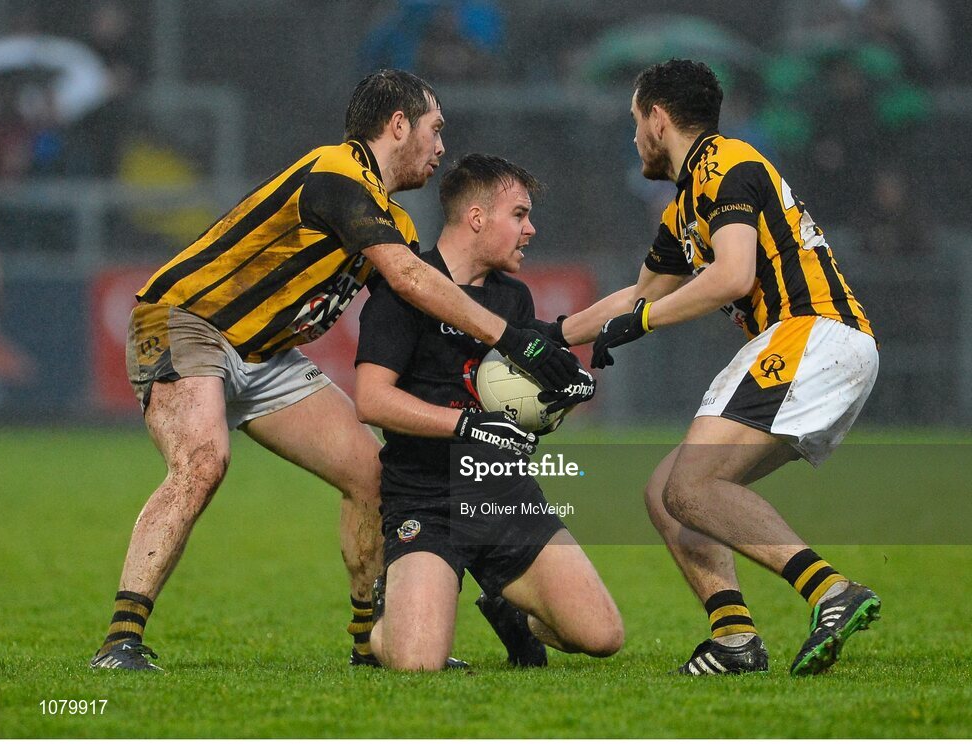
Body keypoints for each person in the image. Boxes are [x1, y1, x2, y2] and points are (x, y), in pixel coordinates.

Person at [89, 70, 580, 672]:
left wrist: (568, 335)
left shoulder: (397, 225)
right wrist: (513, 341)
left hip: (266, 355)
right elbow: (409, 279)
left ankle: (368, 641)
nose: (442, 145)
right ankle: (121, 640)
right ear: (398, 125)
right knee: (202, 462)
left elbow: (422, 308)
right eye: (435, 128)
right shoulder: (336, 170)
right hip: (188, 321)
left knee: (372, 474)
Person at [541, 59, 880, 676]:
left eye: (635, 121)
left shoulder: (726, 164)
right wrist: (547, 336)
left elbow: (731, 275)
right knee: (668, 495)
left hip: (813, 335)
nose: (634, 137)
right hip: (810, 346)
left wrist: (642, 323)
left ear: (658, 119)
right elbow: (639, 292)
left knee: (692, 486)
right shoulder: (687, 202)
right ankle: (735, 639)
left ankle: (831, 591)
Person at [354, 153, 621, 671]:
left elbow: (513, 398)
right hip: (427, 499)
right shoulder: (405, 287)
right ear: (477, 217)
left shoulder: (513, 300)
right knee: (416, 663)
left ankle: (513, 613)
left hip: (505, 495)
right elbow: (371, 400)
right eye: (519, 215)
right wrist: (469, 425)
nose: (531, 228)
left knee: (602, 635)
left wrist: (554, 400)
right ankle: (390, 614)